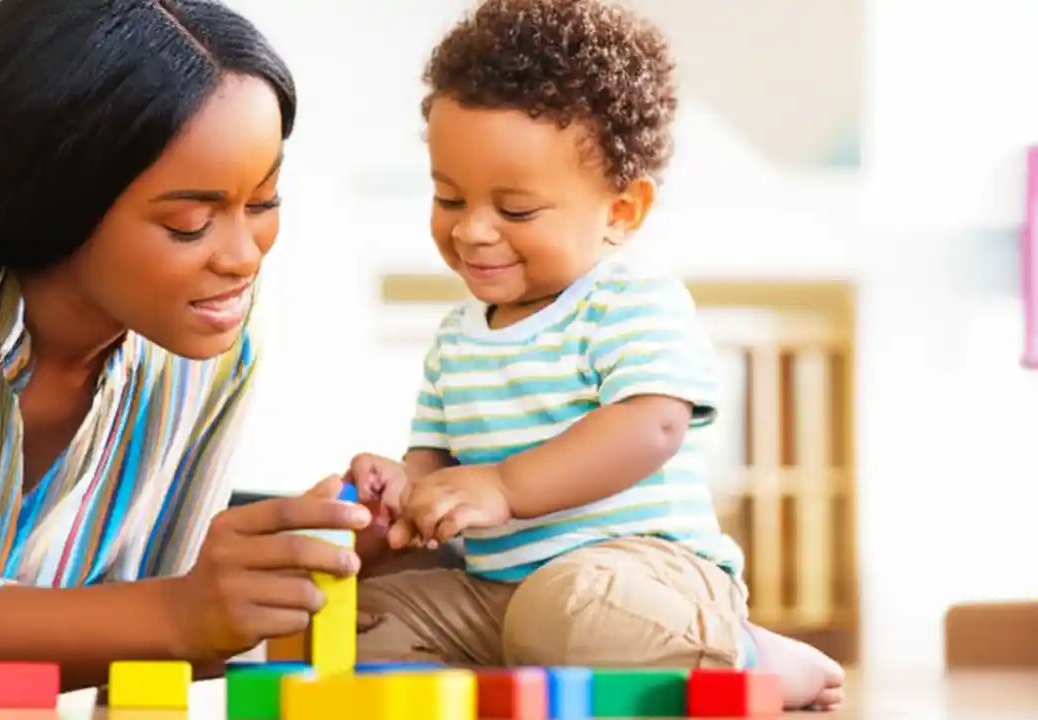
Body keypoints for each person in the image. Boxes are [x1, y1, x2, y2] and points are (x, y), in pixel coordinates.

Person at [0, 0, 371, 703]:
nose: (242, 257)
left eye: (263, 202)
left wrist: (297, 576)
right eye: (190, 223)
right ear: (61, 194)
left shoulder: (204, 347)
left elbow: (147, 667)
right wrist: (176, 612)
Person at [345, 0, 845, 711]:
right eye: (449, 198)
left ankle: (746, 652)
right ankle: (514, 687)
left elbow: (652, 425)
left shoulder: (630, 298)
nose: (473, 232)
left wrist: (507, 487)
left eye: (515, 210)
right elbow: (438, 461)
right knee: (360, 622)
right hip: (497, 593)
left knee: (573, 615)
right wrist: (398, 491)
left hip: (634, 573)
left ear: (621, 211)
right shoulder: (458, 334)